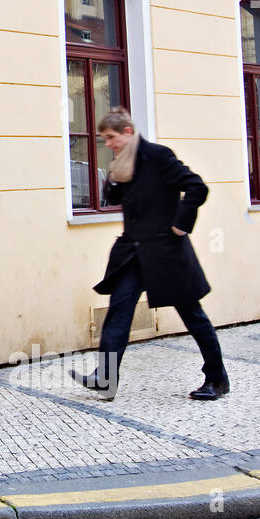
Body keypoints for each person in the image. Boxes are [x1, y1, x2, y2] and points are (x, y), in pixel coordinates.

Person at [71, 107, 229, 401]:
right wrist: (115, 177)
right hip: (133, 253)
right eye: (104, 138)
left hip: (166, 252)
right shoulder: (124, 163)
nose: (107, 143)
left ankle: (217, 379)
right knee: (118, 311)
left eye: (110, 137)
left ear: (127, 132)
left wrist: (181, 225)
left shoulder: (158, 156)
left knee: (192, 315)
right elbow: (114, 199)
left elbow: (197, 188)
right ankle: (106, 379)